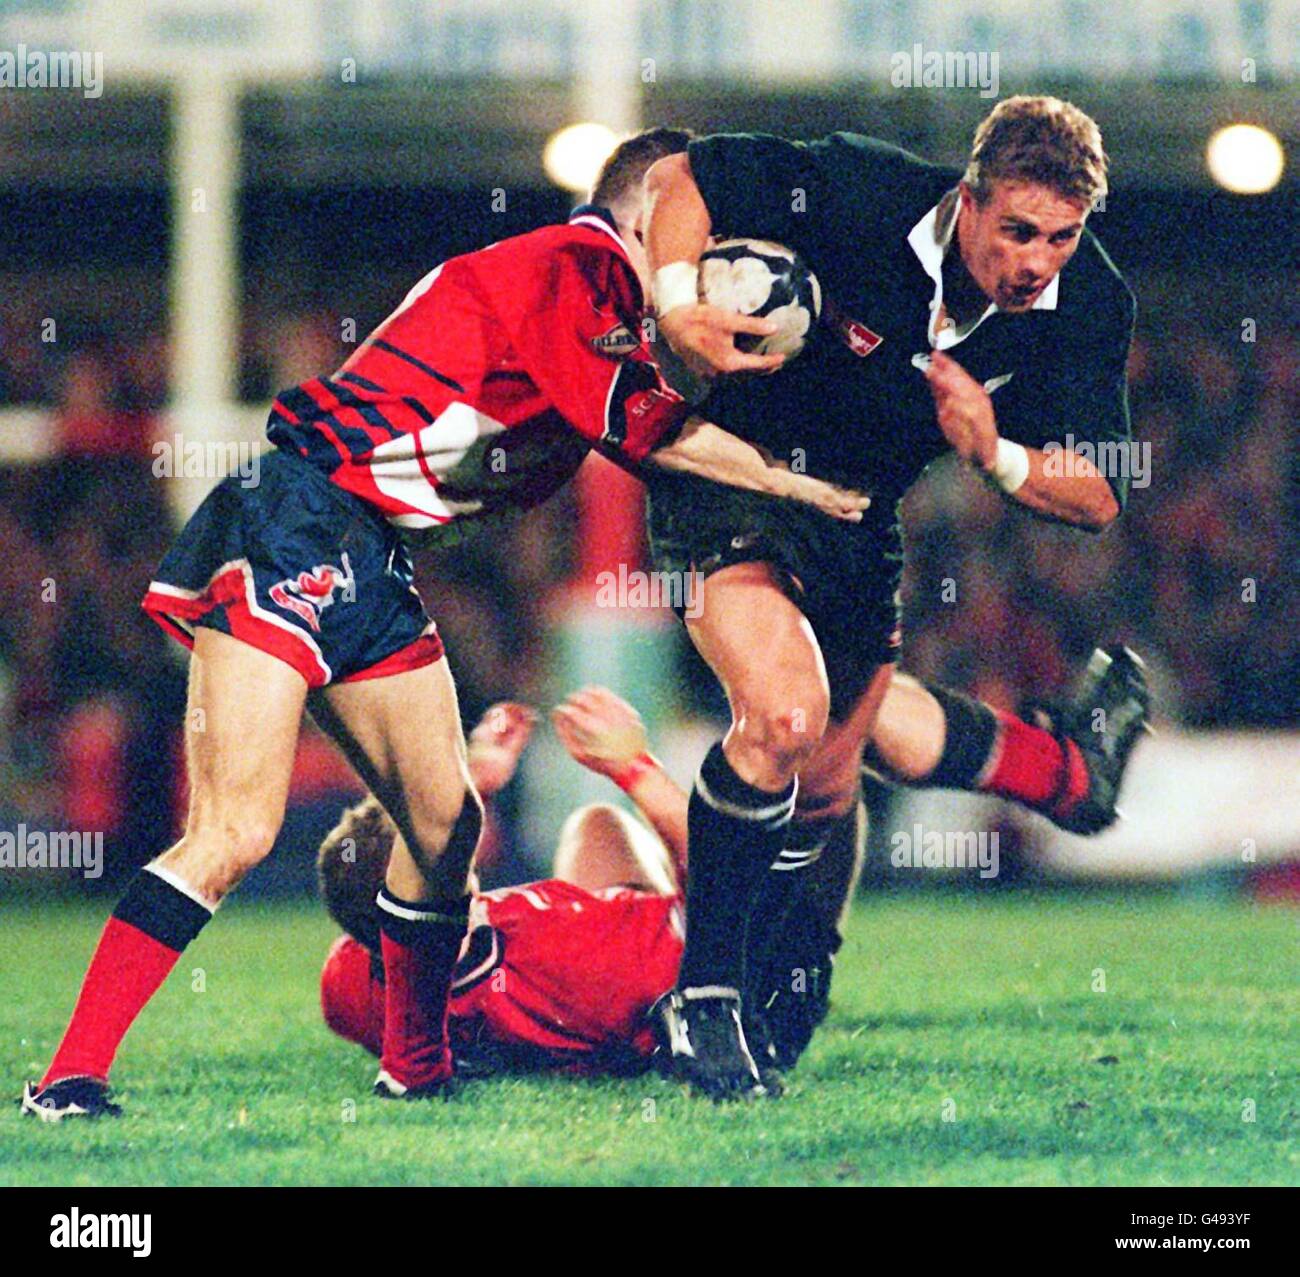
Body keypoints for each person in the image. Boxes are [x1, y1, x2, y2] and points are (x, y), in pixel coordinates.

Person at [22, 128, 869, 1121]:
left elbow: (626, 412)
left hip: (367, 551)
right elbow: (645, 428)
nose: (713, 255)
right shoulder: (576, 266)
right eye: (703, 226)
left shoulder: (609, 313)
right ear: (648, 215)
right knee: (236, 829)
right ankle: (67, 1076)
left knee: (445, 818)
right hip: (297, 516)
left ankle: (414, 1066)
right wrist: (783, 475)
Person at [639, 96, 1151, 1097]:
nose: (1037, 259)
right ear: (966, 202)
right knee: (782, 714)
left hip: (858, 516)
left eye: (1061, 235)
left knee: (830, 784)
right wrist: (673, 303)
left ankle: (792, 986)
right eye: (1016, 231)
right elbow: (686, 178)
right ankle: (704, 998)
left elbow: (1097, 493)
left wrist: (994, 454)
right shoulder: (858, 188)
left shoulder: (1087, 301)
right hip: (730, 475)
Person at [318, 688, 842, 1088]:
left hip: (528, 998)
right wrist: (634, 768)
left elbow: (399, 889)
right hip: (757, 980)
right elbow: (727, 891)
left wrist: (469, 787)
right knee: (827, 792)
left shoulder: (348, 985)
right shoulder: (580, 950)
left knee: (597, 828)